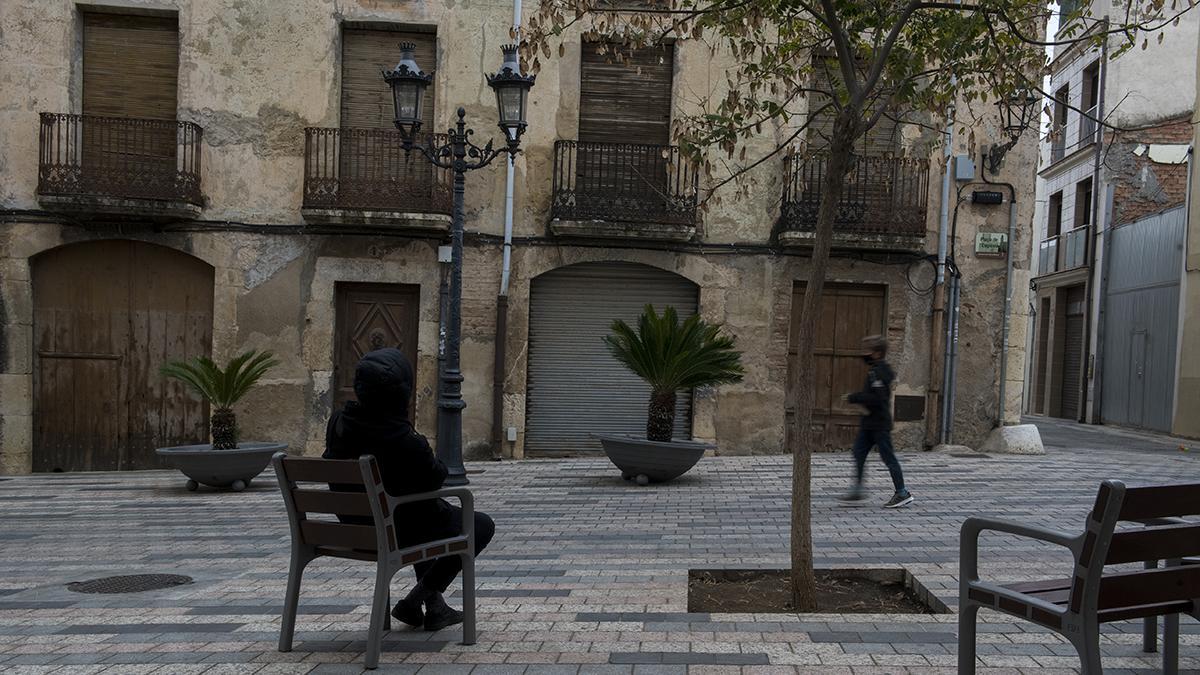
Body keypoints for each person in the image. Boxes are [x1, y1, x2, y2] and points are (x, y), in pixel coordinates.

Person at [323, 348, 495, 631]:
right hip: (393, 531)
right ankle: (416, 600)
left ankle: (435, 608)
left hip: (355, 528)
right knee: (478, 524)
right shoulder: (403, 440)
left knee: (419, 513)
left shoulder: (338, 423)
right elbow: (436, 477)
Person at [839, 335, 914, 508]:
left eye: (867, 350)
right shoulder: (875, 370)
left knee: (888, 458)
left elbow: (878, 399)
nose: (863, 354)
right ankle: (857, 490)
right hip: (869, 423)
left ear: (877, 353)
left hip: (879, 424)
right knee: (858, 452)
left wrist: (855, 397)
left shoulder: (879, 372)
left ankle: (902, 493)